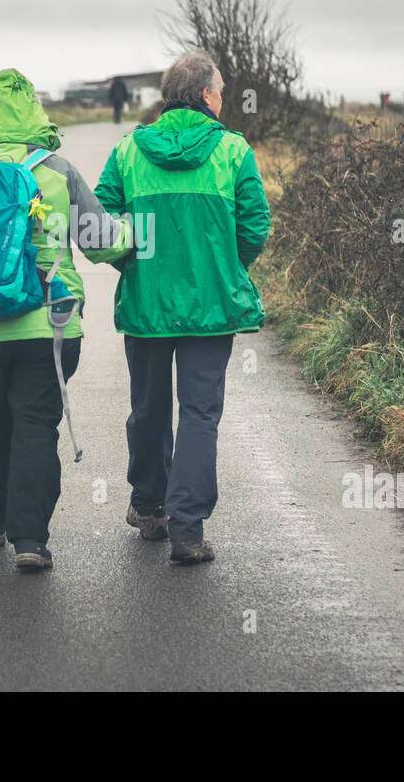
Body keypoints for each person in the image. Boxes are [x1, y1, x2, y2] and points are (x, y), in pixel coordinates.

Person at [0, 69, 131, 571]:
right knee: (36, 425)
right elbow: (102, 242)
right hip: (50, 330)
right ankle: (31, 541)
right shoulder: (58, 171)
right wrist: (132, 231)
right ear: (37, 113)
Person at [94, 50, 271, 564]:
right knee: (199, 413)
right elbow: (255, 226)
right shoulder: (234, 151)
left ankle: (149, 508)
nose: (223, 98)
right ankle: (187, 531)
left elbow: (101, 222)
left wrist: (136, 262)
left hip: (147, 305)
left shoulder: (129, 150)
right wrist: (222, 267)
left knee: (149, 407)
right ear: (206, 96)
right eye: (220, 90)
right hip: (211, 309)